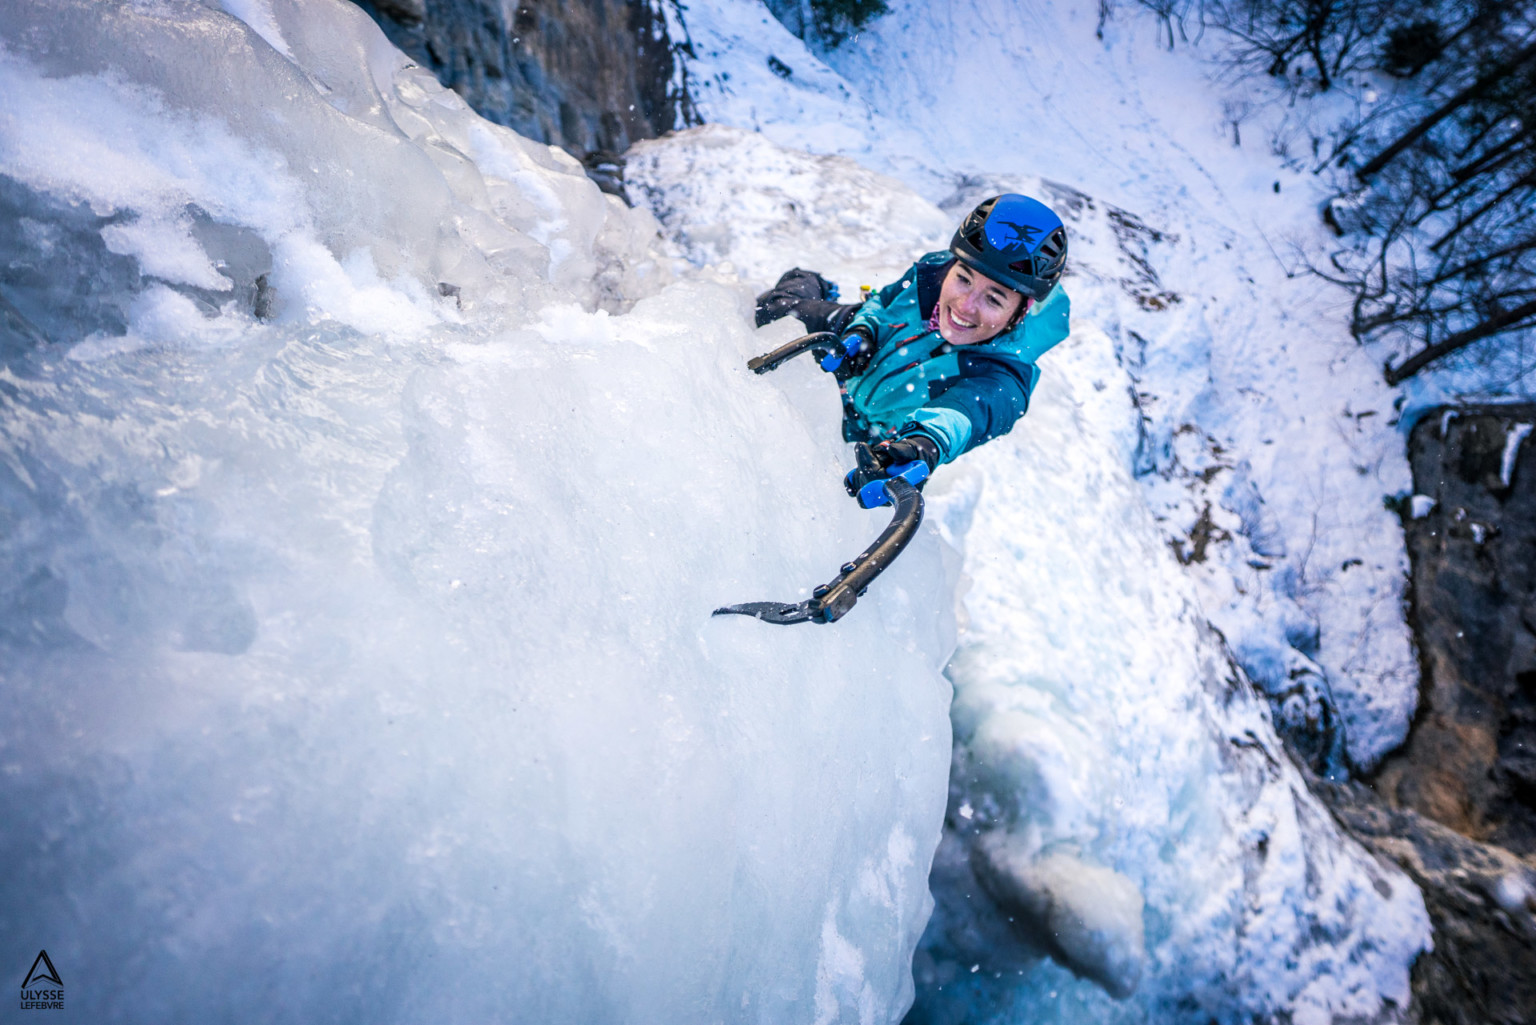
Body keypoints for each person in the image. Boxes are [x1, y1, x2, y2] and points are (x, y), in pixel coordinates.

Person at [754, 194, 1070, 506]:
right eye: (963, 279)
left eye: (994, 299)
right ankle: (812, 283)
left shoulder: (1004, 377)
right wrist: (864, 330)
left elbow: (966, 413)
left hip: (884, 442)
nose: (964, 306)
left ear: (1020, 313)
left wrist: (924, 444)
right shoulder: (932, 275)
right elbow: (884, 304)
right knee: (772, 310)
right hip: (861, 352)